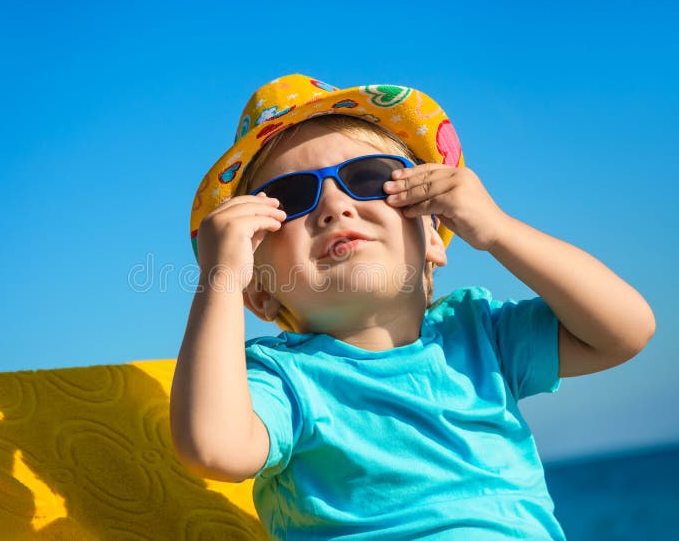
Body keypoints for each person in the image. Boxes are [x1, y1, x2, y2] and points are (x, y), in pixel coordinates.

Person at [169, 73, 656, 540]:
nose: (335, 205)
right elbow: (215, 448)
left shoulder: (481, 336)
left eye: (368, 178)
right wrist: (221, 276)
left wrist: (499, 230)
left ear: (432, 234)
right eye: (288, 198)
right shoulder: (284, 379)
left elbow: (625, 331)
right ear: (260, 291)